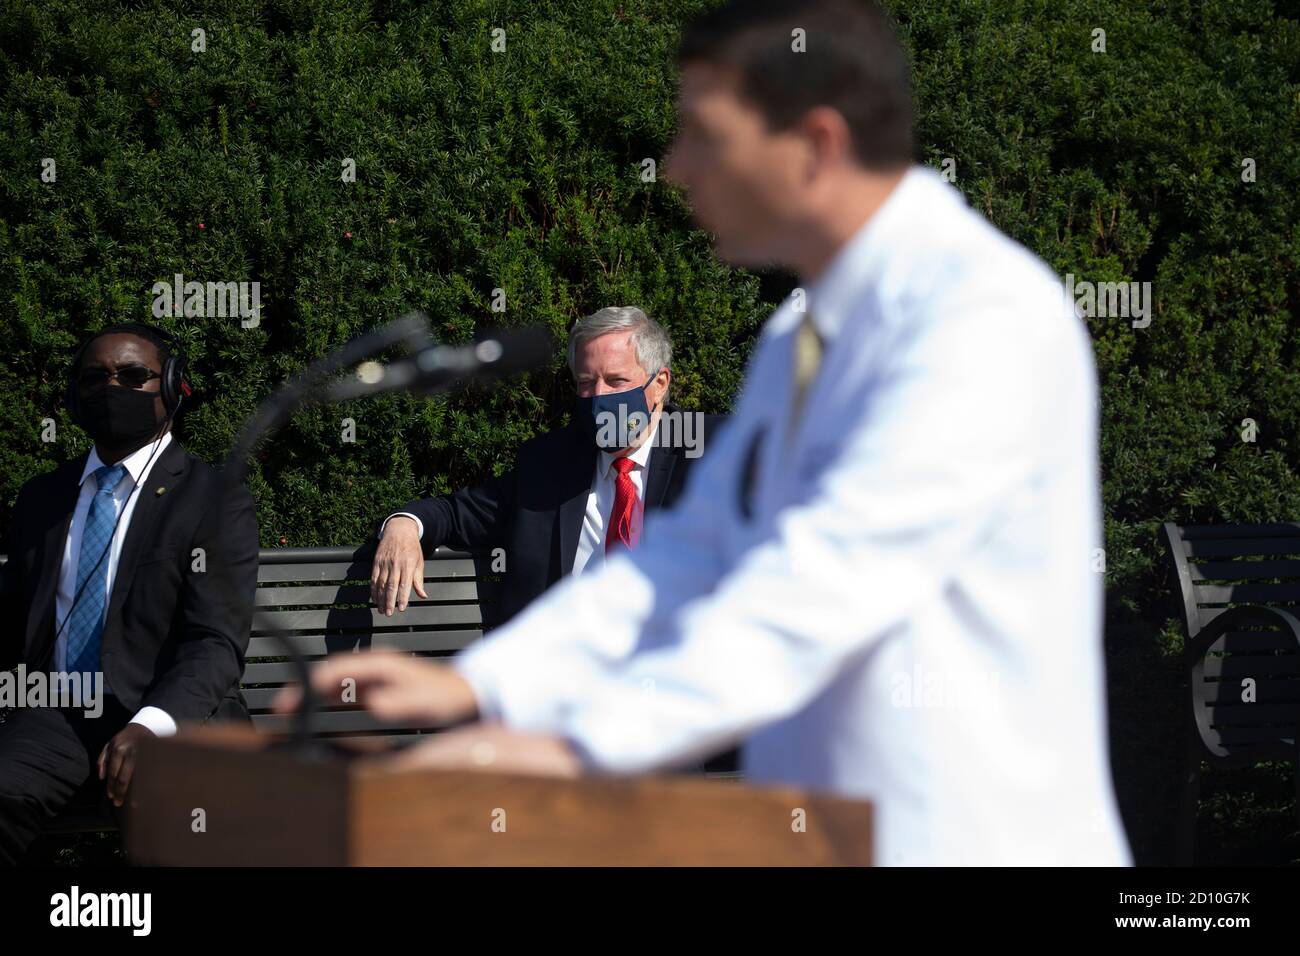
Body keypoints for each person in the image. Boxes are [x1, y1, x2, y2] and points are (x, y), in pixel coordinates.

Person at [280, 0, 1132, 865]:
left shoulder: (980, 317)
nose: (677, 167)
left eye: (704, 136)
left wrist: (571, 745)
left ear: (817, 143)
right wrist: (484, 682)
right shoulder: (794, 337)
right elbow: (691, 554)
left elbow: (826, 580)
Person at [0, 322, 258, 864]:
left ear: (169, 387)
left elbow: (215, 642)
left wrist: (151, 725)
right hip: (55, 716)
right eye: (94, 378)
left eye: (133, 376)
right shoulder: (42, 498)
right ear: (73, 396)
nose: (110, 388)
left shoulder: (212, 495)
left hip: (171, 718)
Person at [370, 306, 724, 626]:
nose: (599, 396)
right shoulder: (549, 463)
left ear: (659, 384)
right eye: (586, 383)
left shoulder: (715, 452)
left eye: (616, 381)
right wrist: (403, 526)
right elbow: (457, 512)